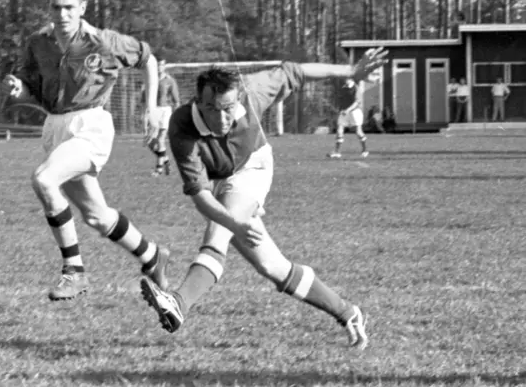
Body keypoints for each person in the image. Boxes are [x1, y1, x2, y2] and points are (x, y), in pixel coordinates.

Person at [139, 47, 390, 349]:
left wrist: (351, 72)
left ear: (237, 100)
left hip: (253, 166)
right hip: (221, 182)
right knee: (273, 267)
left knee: (219, 231)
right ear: (198, 102)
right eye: (212, 108)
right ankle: (348, 312)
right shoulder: (182, 126)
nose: (222, 117)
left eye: (228, 108)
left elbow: (295, 71)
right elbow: (201, 197)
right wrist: (236, 222)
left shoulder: (252, 92)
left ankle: (179, 302)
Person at [4, 0, 170, 301]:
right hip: (55, 128)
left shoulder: (103, 41)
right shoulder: (38, 43)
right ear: (49, 9)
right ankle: (152, 256)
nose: (62, 13)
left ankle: (74, 272)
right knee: (96, 216)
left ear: (82, 8)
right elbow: (29, 91)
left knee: (44, 179)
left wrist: (151, 109)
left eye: (69, 7)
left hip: (91, 125)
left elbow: (147, 59)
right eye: (56, 7)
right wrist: (16, 90)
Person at [144, 58, 182, 176]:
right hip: (154, 110)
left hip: (165, 110)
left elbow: (176, 101)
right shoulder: (151, 80)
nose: (159, 67)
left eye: (161, 65)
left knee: (161, 139)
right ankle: (165, 160)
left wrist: (177, 116)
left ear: (164, 66)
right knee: (150, 142)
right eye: (158, 65)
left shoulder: (170, 81)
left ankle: (158, 169)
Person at [328, 77, 369, 159]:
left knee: (358, 132)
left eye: (347, 78)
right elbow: (340, 100)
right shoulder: (343, 88)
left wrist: (348, 110)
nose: (345, 80)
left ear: (351, 79)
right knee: (339, 130)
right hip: (344, 112)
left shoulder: (356, 88)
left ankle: (365, 150)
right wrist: (338, 109)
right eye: (345, 78)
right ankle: (337, 152)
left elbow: (357, 102)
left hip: (355, 112)